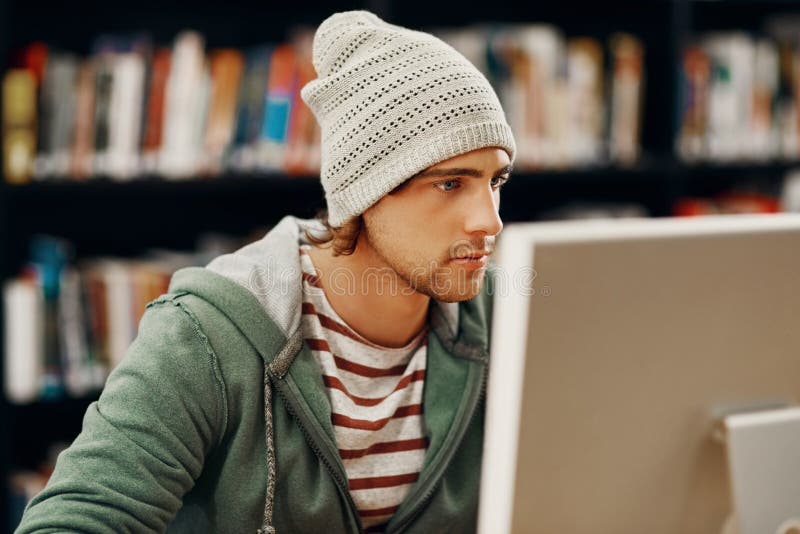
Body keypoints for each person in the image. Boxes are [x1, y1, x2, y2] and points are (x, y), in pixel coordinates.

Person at [16, 9, 516, 533]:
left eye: (496, 182)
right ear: (367, 193)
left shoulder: (507, 324)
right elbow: (73, 521)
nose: (491, 221)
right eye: (450, 184)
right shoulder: (207, 334)